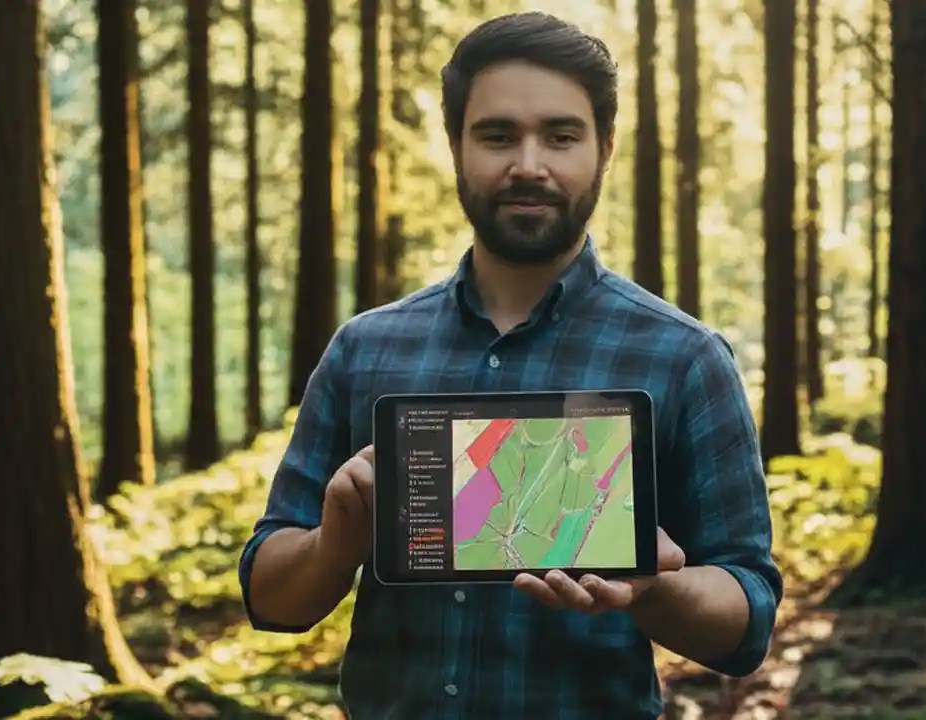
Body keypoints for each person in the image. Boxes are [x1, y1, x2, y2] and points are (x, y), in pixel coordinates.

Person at [238, 11, 782, 719]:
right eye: (498, 136)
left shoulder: (683, 356)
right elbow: (271, 599)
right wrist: (333, 545)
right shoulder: (366, 348)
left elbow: (750, 617)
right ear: (457, 146)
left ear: (604, 148)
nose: (530, 164)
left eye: (561, 135)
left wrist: (652, 587)